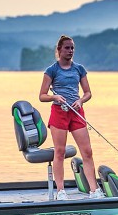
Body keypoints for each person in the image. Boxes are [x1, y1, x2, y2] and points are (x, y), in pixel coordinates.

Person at [39, 35, 104, 200]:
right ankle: (60, 191)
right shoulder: (51, 70)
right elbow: (42, 96)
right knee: (59, 152)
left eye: (72, 48)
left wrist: (80, 101)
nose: (70, 51)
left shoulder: (79, 69)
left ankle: (94, 190)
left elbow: (88, 92)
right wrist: (55, 97)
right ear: (59, 50)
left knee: (87, 152)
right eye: (67, 48)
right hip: (59, 113)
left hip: (76, 113)